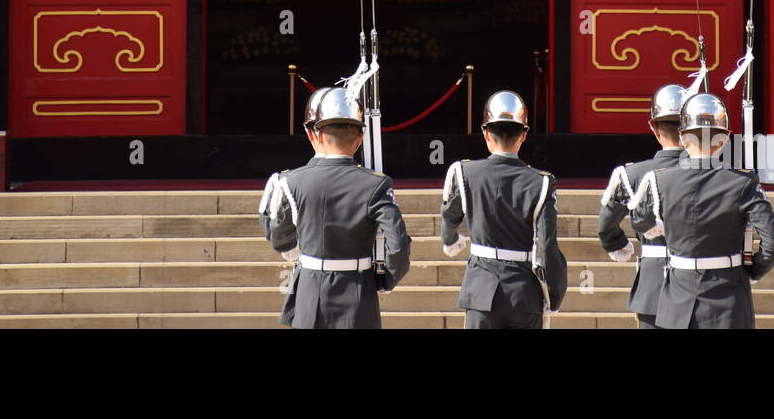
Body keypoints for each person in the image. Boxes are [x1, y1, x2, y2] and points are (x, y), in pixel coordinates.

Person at [629, 93, 774, 329]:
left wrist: (662, 228)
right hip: (728, 299)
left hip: (676, 300)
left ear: (683, 138)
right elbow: (773, 240)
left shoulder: (660, 181)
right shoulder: (742, 183)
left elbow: (639, 220)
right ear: (723, 140)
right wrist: (752, 270)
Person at [266, 88, 411, 328]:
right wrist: (387, 278)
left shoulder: (290, 181)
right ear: (360, 137)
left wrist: (294, 248)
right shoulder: (376, 183)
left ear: (318, 134)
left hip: (309, 290)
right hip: (357, 290)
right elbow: (398, 242)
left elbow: (279, 236)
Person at [440, 90, 568, 328]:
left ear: (485, 133)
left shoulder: (466, 173)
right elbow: (548, 245)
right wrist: (555, 295)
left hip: (480, 289)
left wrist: (450, 240)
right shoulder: (540, 181)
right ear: (524, 134)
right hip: (524, 293)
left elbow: (450, 215)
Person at [596, 83, 687, 328]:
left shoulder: (633, 174)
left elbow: (606, 225)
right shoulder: (715, 175)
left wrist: (618, 245)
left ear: (654, 128)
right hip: (705, 288)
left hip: (653, 285)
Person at [258, 86, 332, 243]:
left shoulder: (286, 182)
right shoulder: (374, 183)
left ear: (310, 132)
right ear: (358, 136)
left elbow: (276, 235)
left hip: (309, 265)